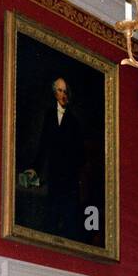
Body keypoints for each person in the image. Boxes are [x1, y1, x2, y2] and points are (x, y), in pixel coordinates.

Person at [32, 77, 86, 241]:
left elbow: (79, 152)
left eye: (65, 91)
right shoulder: (49, 115)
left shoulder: (74, 121)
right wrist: (35, 168)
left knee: (69, 214)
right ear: (55, 93)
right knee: (52, 212)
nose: (63, 95)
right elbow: (43, 143)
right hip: (54, 171)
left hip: (70, 174)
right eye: (60, 91)